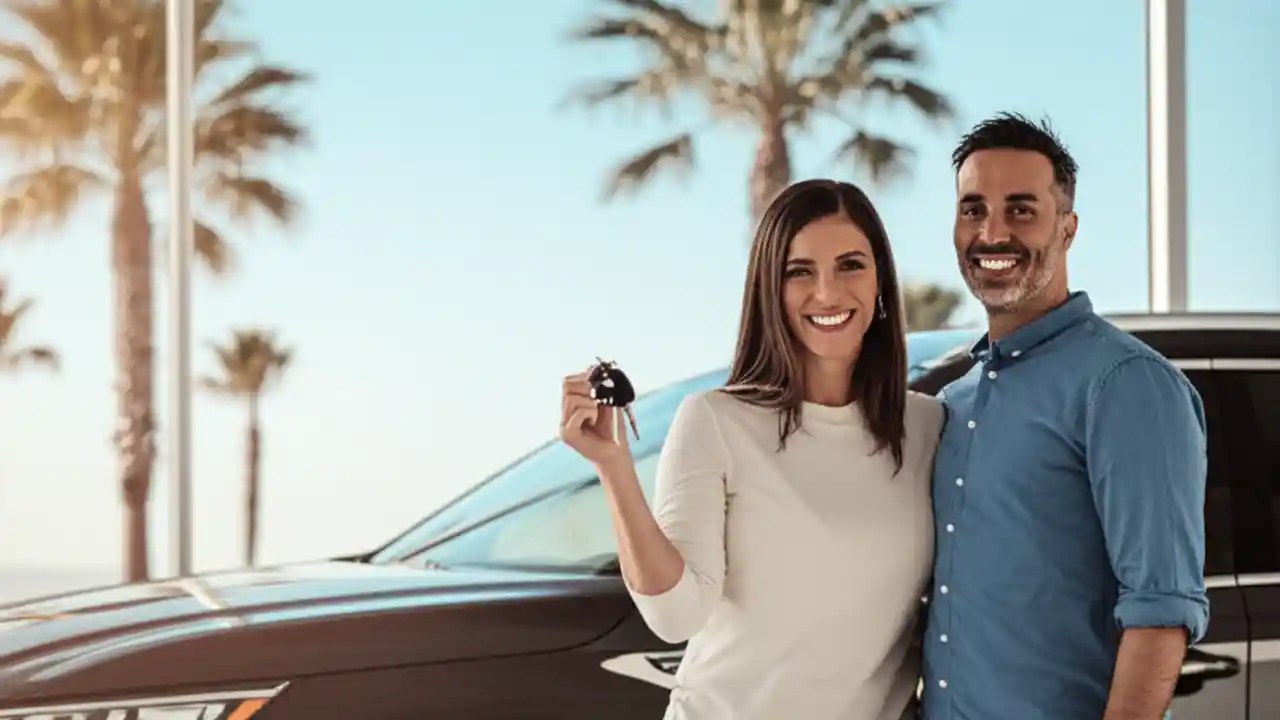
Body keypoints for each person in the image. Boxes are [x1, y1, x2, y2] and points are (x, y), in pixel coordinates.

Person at [560, 179, 944, 719]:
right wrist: (613, 467)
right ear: (770, 289)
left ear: (880, 279)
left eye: (851, 265)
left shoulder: (928, 427)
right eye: (799, 271)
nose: (828, 292)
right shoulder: (716, 421)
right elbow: (675, 616)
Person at [919, 112, 1209, 720]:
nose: (992, 233)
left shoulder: (1127, 385)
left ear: (1067, 228)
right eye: (973, 209)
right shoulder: (954, 401)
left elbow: (1160, 613)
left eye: (1021, 210)